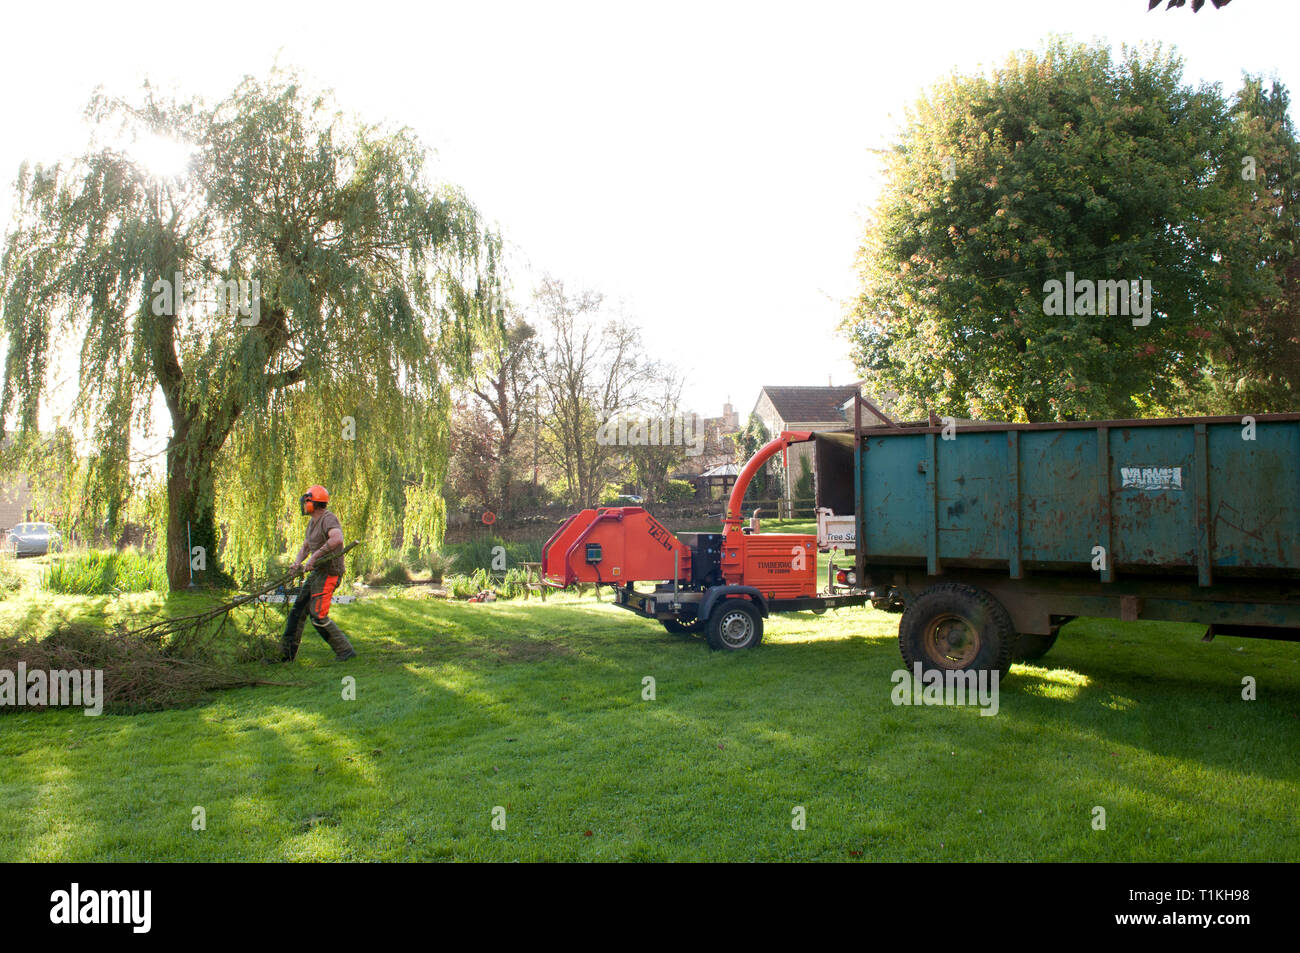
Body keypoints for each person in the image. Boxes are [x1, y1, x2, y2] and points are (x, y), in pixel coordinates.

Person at [267, 485, 356, 663]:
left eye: (306, 501)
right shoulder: (313, 522)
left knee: (318, 615)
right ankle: (285, 655)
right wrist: (297, 563)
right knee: (297, 611)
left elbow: (337, 538)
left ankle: (345, 651)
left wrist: (315, 557)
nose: (303, 504)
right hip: (317, 572)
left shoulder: (328, 519)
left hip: (330, 573)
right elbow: (306, 546)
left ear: (313, 503)